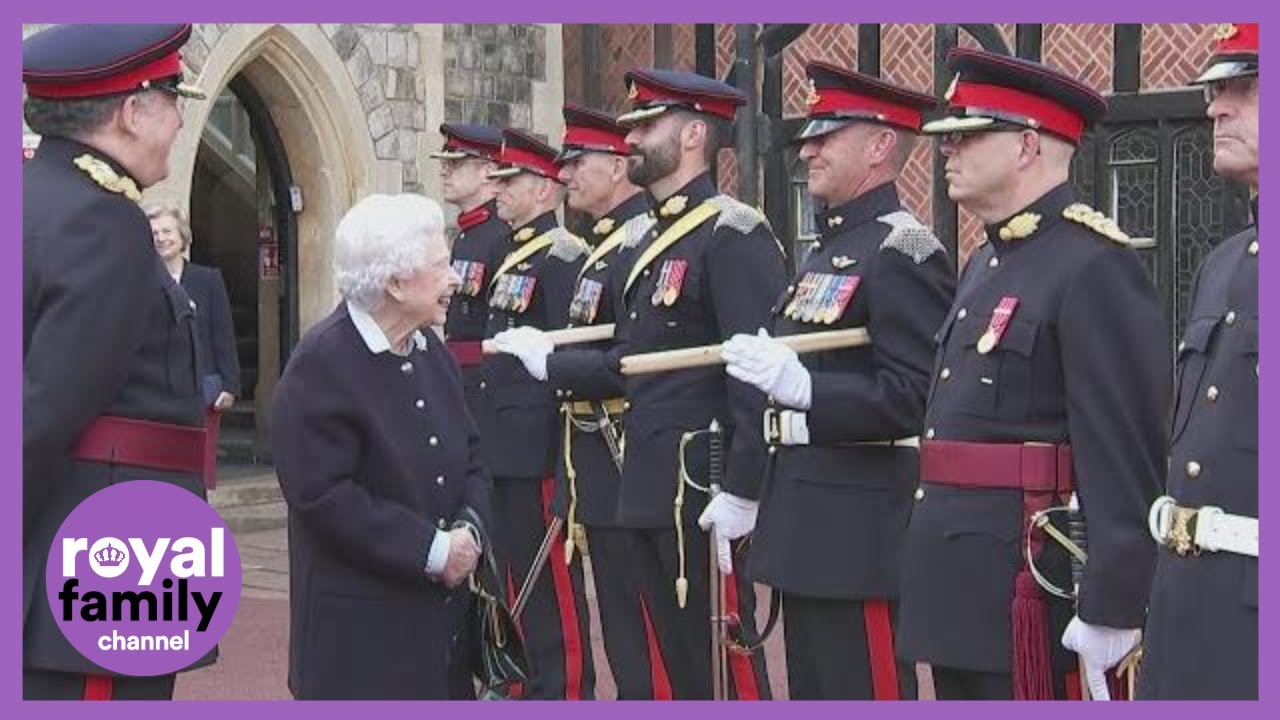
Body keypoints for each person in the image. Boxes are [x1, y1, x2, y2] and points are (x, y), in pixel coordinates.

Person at [895, 48, 1171, 701]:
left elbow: (1124, 452)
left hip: (1031, 582)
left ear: (1025, 145)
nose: (947, 151)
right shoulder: (984, 266)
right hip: (957, 578)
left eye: (967, 136)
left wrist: (1114, 599)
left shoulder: (1092, 265)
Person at [721, 61, 954, 700]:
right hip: (805, 522)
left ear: (881, 145)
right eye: (809, 134)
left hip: (858, 535)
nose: (809, 147)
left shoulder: (903, 252)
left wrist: (809, 392)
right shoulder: (830, 249)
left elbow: (914, 396)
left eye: (828, 134)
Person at [22, 23, 208, 701]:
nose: (181, 118)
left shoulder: (34, 200)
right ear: (134, 110)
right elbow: (41, 413)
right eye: (172, 97)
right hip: (105, 550)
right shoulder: (103, 222)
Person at [271, 194, 490, 700]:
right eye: (439, 266)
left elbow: (473, 456)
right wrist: (432, 551)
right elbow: (323, 496)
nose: (454, 278)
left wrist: (470, 531)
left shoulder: (429, 349)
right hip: (359, 644)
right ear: (394, 283)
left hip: (439, 635)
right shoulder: (321, 364)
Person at [613, 67, 783, 699]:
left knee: (721, 664)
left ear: (691, 135)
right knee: (676, 667)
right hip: (649, 482)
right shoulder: (649, 237)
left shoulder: (732, 232)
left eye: (646, 125)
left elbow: (754, 375)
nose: (631, 138)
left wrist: (744, 490)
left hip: (699, 488)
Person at [492, 104, 668, 698]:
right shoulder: (603, 246)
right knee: (623, 624)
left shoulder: (638, 242)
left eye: (580, 161)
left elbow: (637, 357)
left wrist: (554, 364)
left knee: (650, 625)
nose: (566, 174)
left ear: (619, 167)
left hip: (630, 453)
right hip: (589, 455)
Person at [1137, 23, 1259, 700]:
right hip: (1189, 601)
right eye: (1216, 91)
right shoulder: (1225, 263)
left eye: (1245, 88)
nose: (1215, 108)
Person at [479, 129, 595, 699]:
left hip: (541, 444)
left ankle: (566, 689)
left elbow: (570, 357)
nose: (497, 189)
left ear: (546, 191)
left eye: (511, 180)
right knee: (511, 575)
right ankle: (524, 682)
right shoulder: (510, 253)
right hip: (503, 442)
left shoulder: (563, 257)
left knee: (551, 584)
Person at [148, 203, 241, 489]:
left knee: (197, 474)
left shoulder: (208, 279)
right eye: (154, 233)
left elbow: (222, 333)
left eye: (167, 231)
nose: (161, 238)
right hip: (156, 393)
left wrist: (231, 385)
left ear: (182, 236)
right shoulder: (141, 281)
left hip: (203, 389)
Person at [431, 124, 510, 415]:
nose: (443, 171)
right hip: (461, 377)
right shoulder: (468, 233)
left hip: (485, 382)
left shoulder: (501, 234)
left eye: (455, 163)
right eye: (444, 162)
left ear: (487, 171)